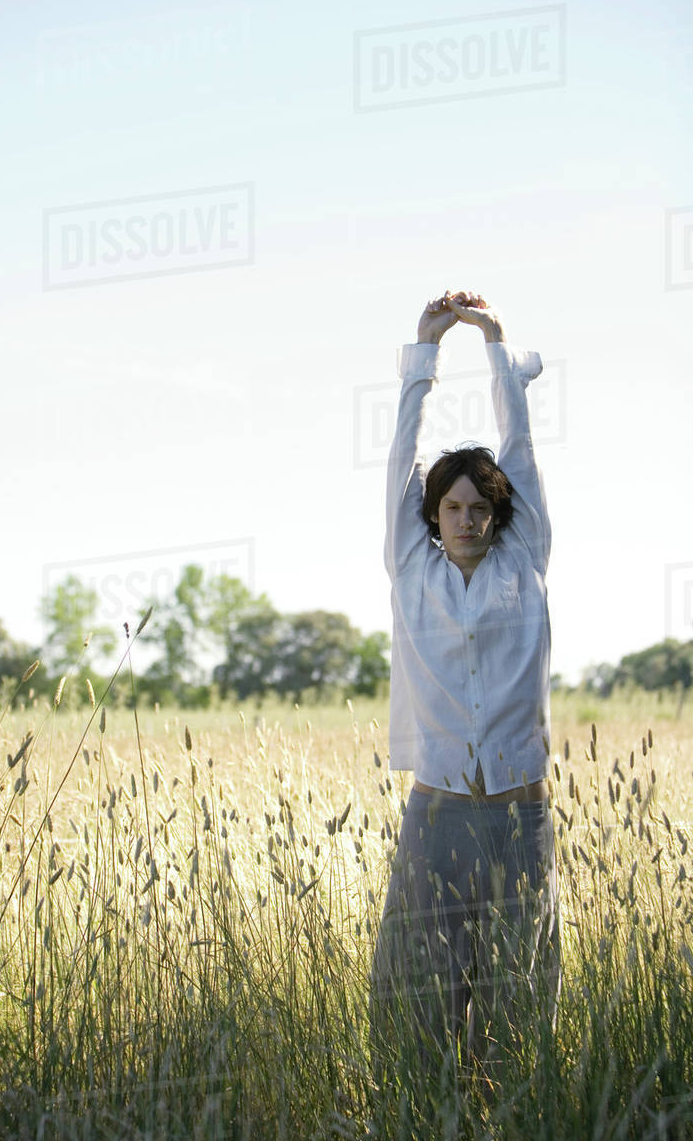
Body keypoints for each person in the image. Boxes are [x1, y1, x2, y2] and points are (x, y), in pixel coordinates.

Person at [369, 288, 560, 1092]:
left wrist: (495, 345)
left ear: (498, 516)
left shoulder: (525, 562)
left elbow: (518, 446)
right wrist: (425, 352)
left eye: (478, 507)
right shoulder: (410, 569)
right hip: (438, 804)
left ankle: (518, 1110)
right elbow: (400, 456)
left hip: (518, 807)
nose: (465, 518)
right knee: (415, 985)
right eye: (450, 506)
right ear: (432, 515)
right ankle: (422, 1108)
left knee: (521, 984)